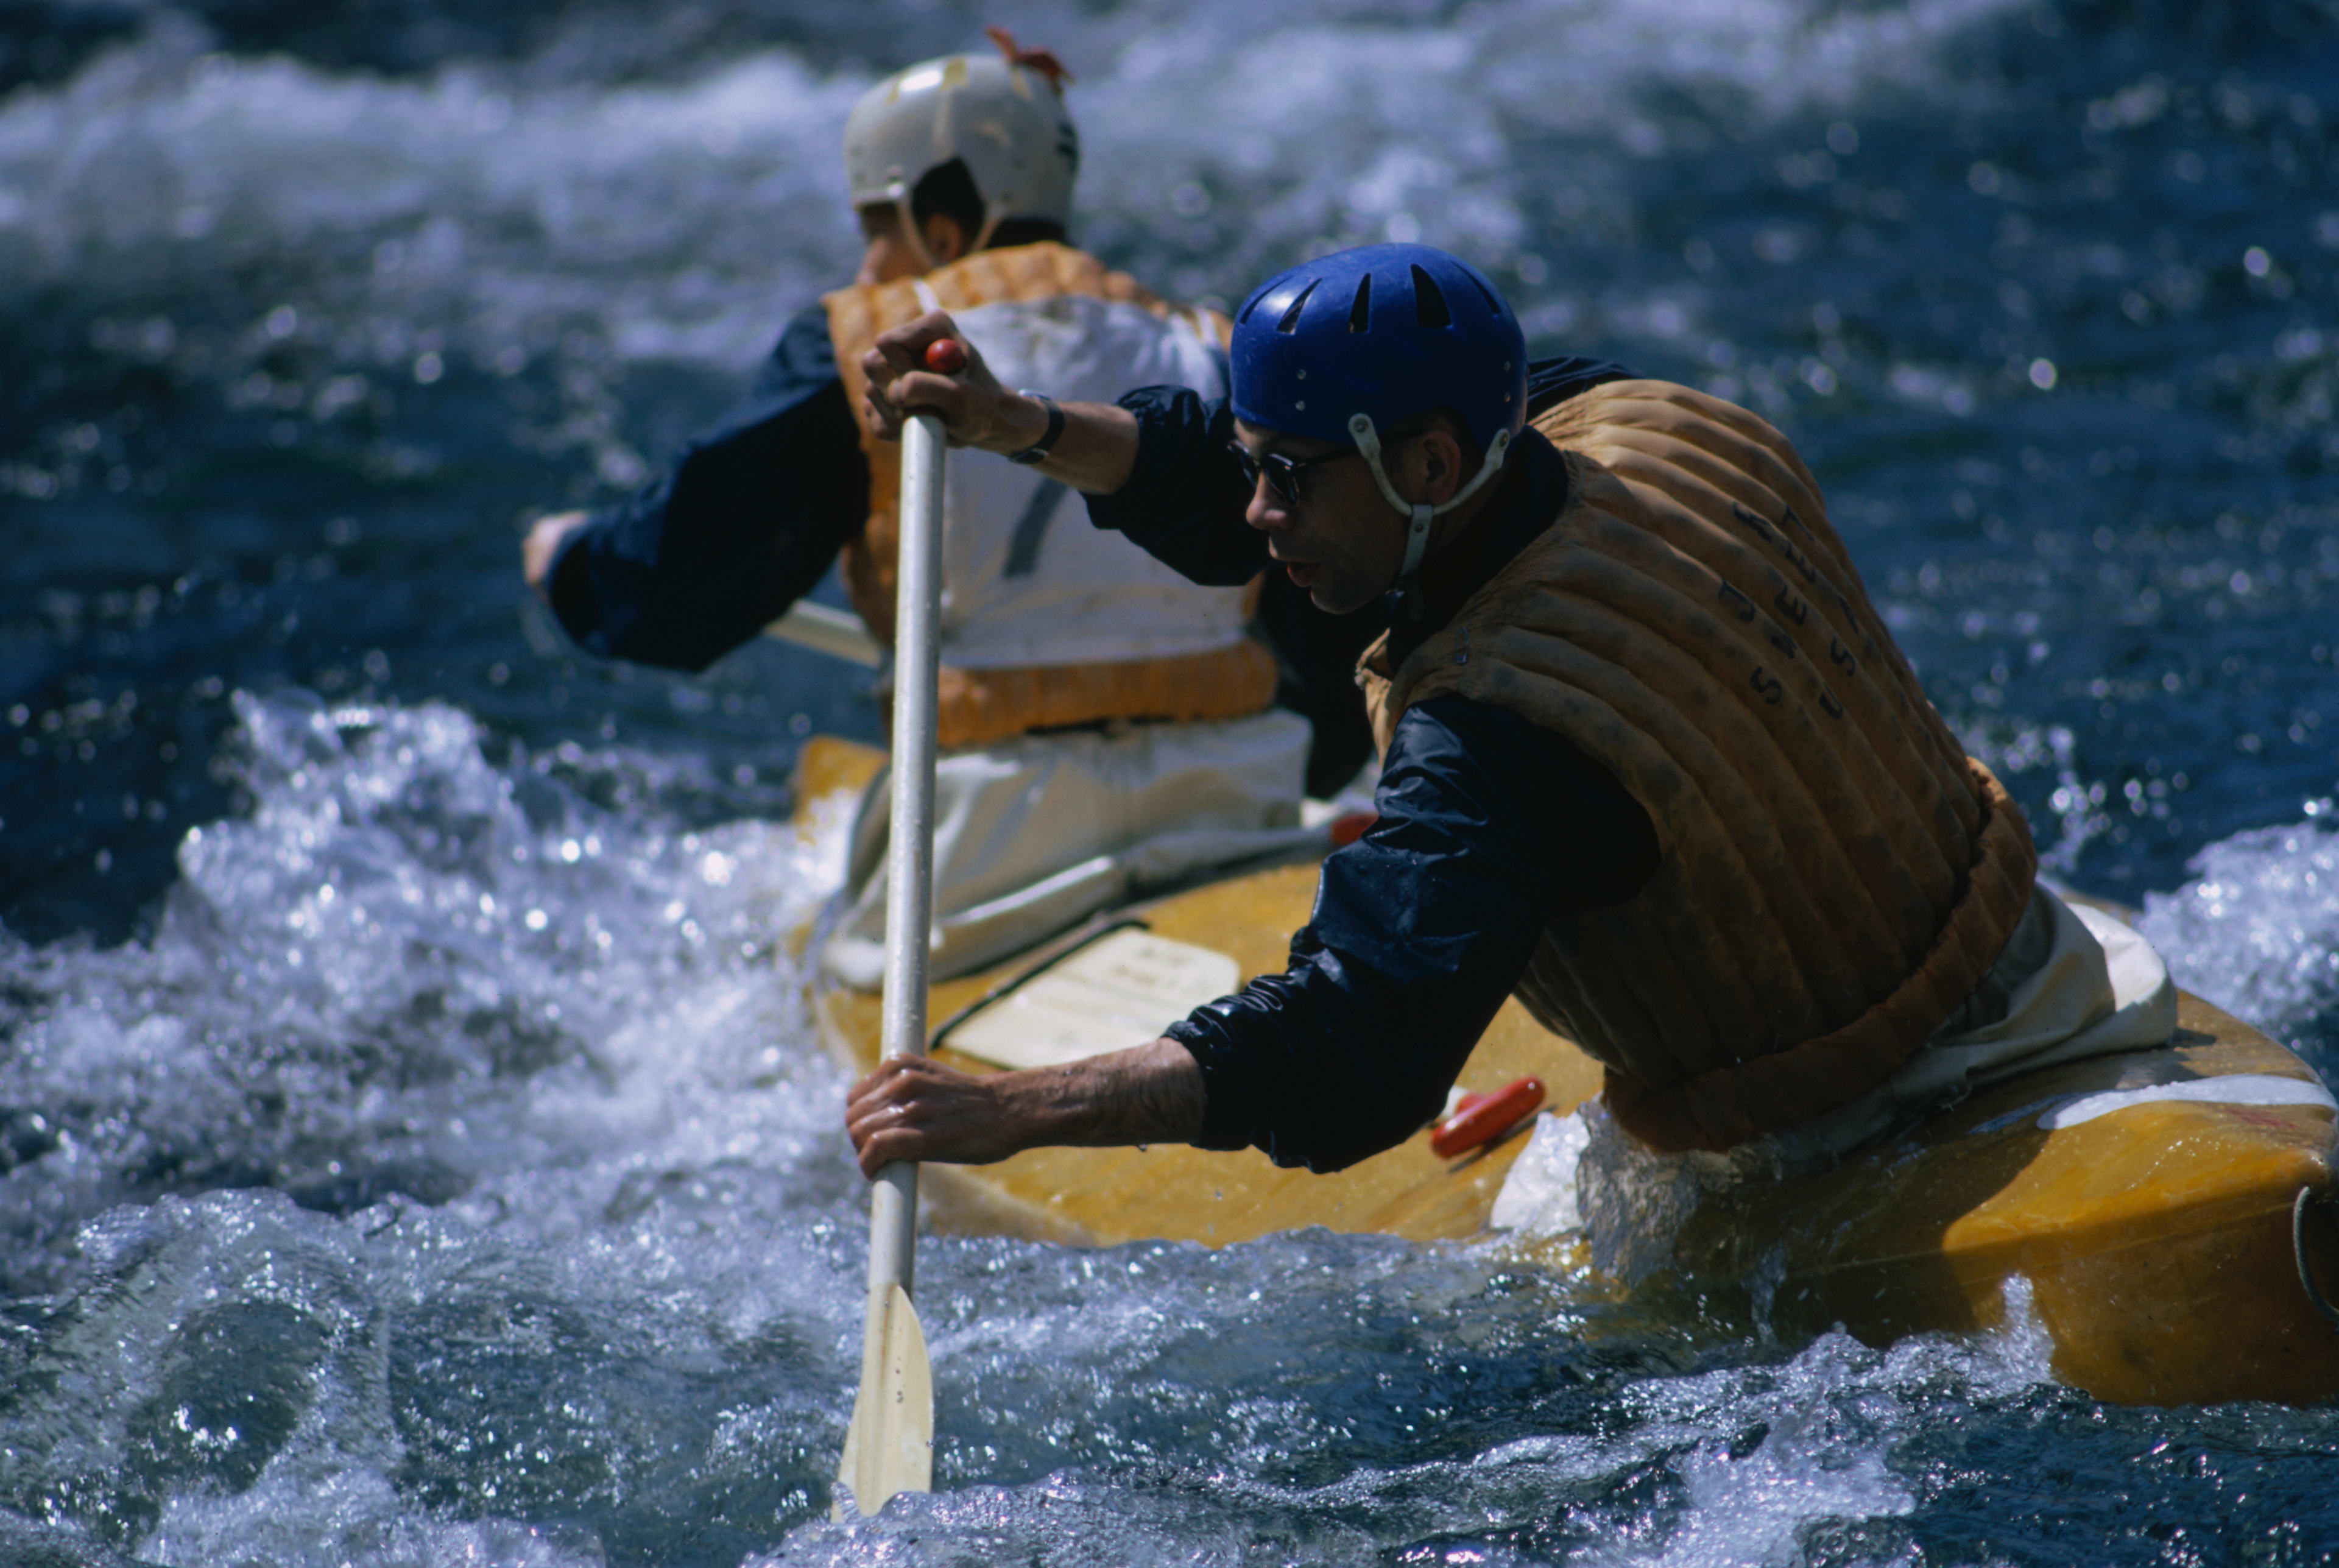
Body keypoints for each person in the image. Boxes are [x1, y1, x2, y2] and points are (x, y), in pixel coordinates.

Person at [843, 241, 2179, 1177]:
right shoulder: (1628, 414)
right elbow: (1239, 485)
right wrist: (1019, 422)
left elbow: (1357, 1048)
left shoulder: (1493, 737)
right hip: (2035, 952)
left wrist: (1016, 1108)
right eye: (1257, 470)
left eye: (1290, 481)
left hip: (1830, 1119)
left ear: (1428, 462)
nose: (1261, 517)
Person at [523, 32, 1361, 987]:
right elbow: (1328, 634)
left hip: (977, 858)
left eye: (877, 224)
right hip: (1236, 807)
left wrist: (573, 567)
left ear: (944, 222)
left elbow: (679, 588)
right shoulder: (1217, 348)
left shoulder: (868, 348)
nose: (867, 257)